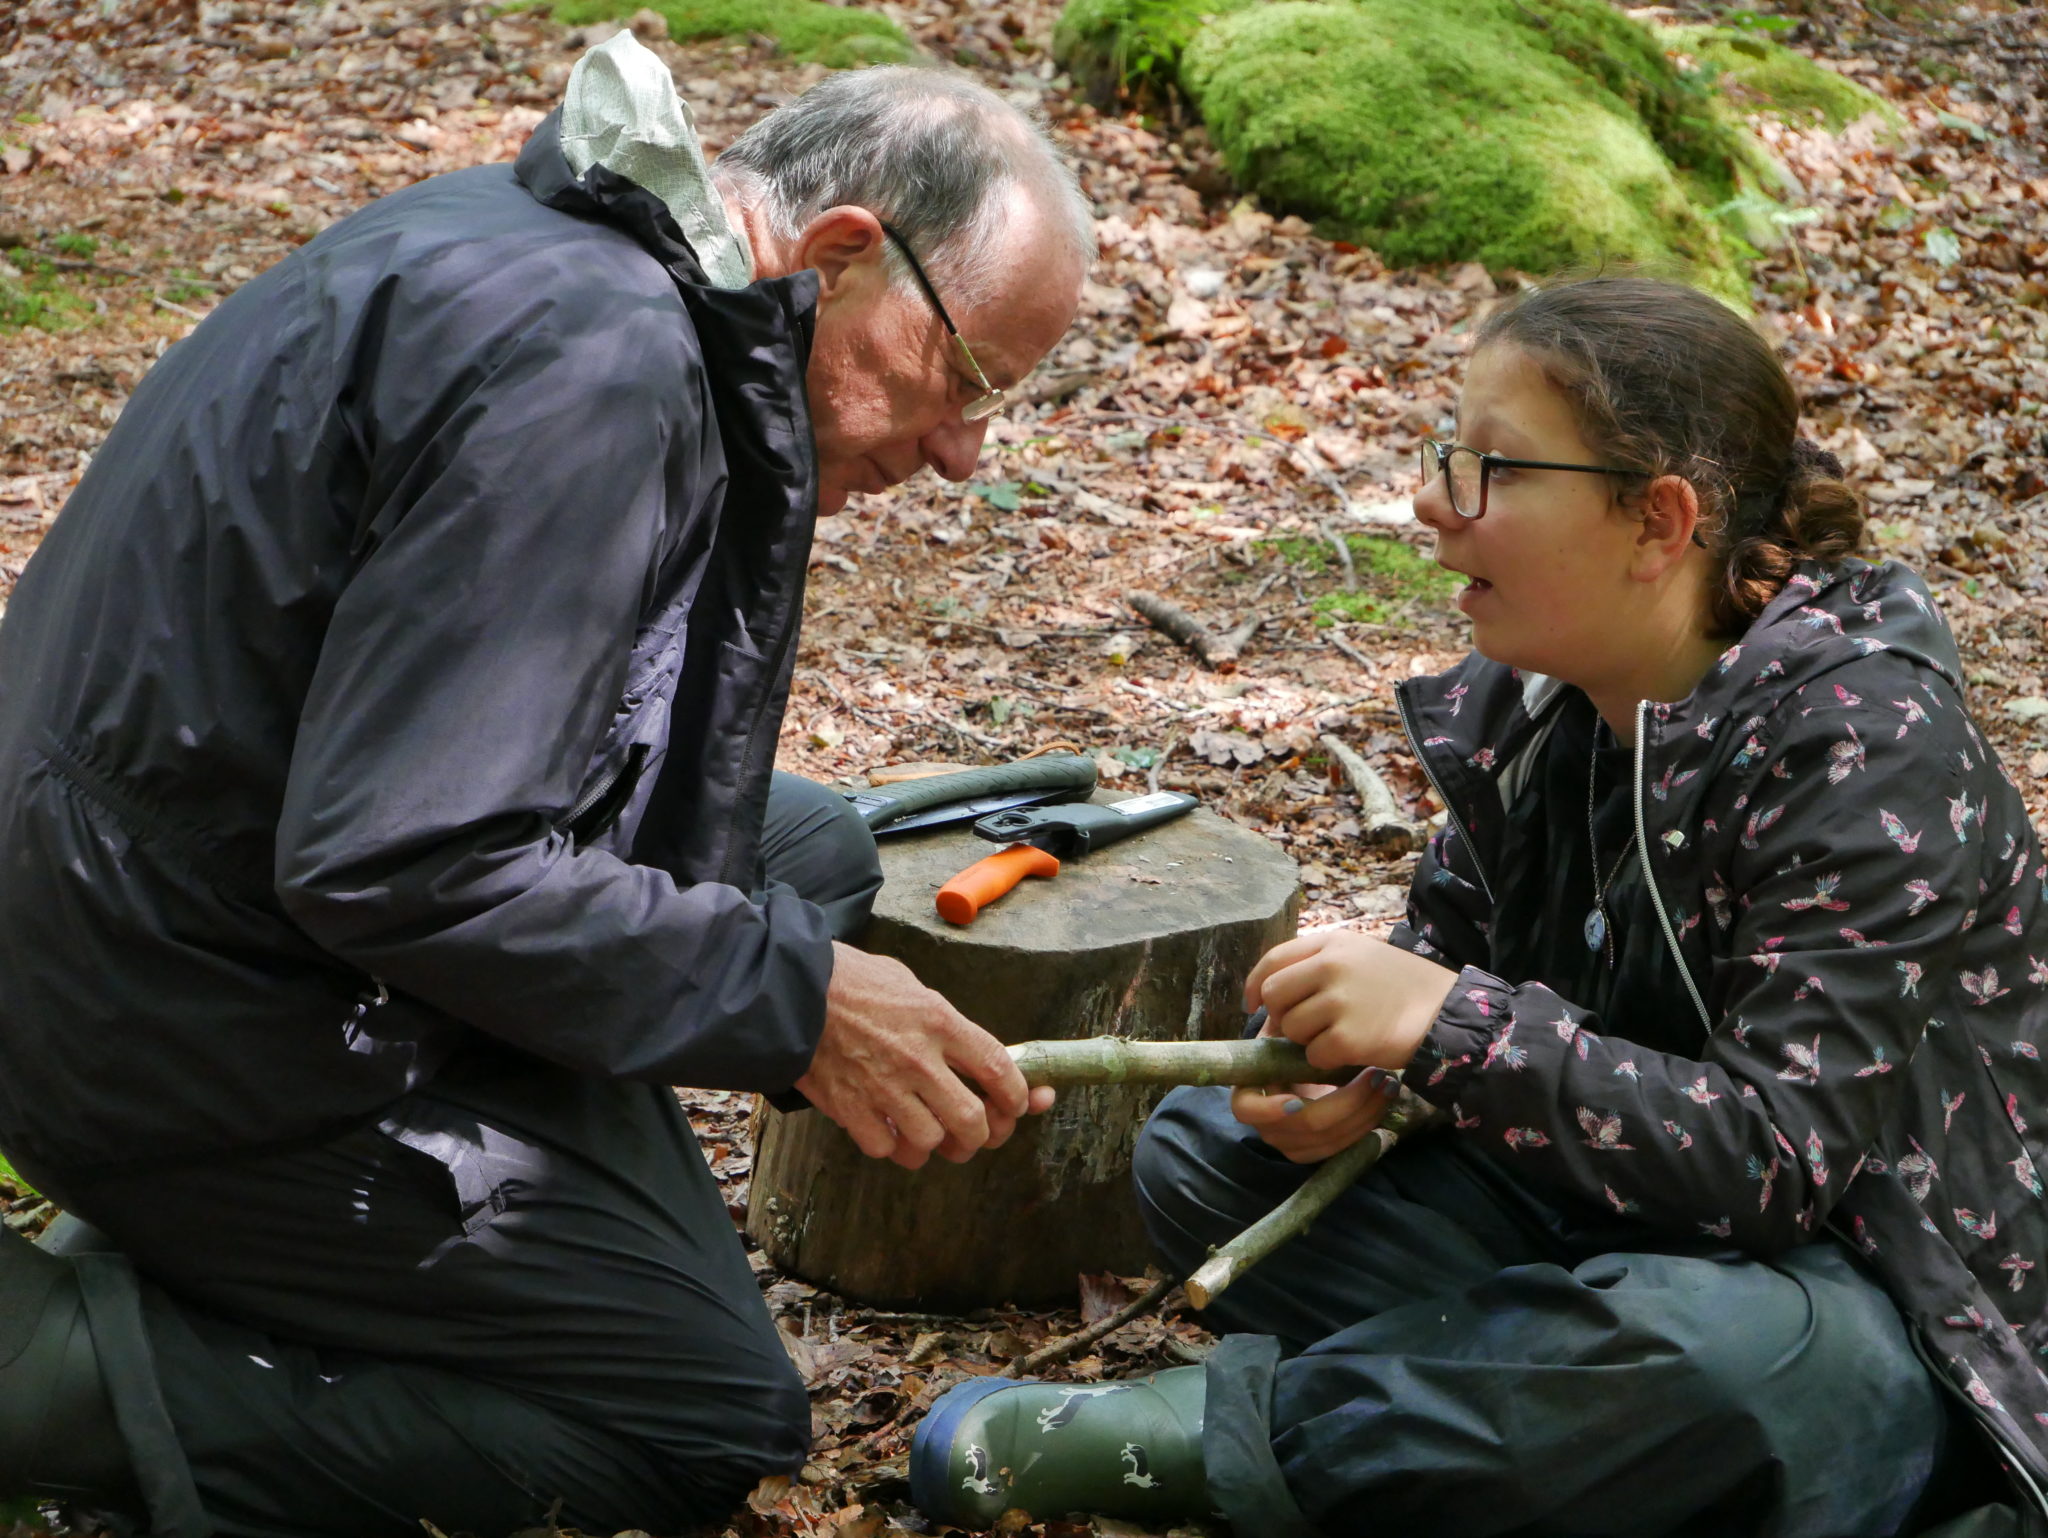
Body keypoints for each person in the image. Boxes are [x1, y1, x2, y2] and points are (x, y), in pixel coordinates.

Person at [0, 33, 1091, 1538]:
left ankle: (338, 1233)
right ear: (844, 253)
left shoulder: (554, 249)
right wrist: (797, 1004)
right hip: (163, 1006)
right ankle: (50, 1363)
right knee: (699, 1412)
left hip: (141, 883)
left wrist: (758, 963)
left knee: (813, 849)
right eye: (967, 374)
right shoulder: (597, 372)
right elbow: (406, 857)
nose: (969, 450)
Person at [910, 276, 2048, 1537]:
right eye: (1447, 455)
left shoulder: (1866, 744)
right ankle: (1521, 1414)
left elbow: (1777, 1160)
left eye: (1490, 469)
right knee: (1203, 1151)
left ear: (1656, 522)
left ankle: (1227, 1436)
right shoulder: (1544, 698)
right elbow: (1446, 971)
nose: (1431, 502)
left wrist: (1445, 1029)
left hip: (1871, 1313)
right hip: (1607, 1231)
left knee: (1746, 1366)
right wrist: (1346, 1080)